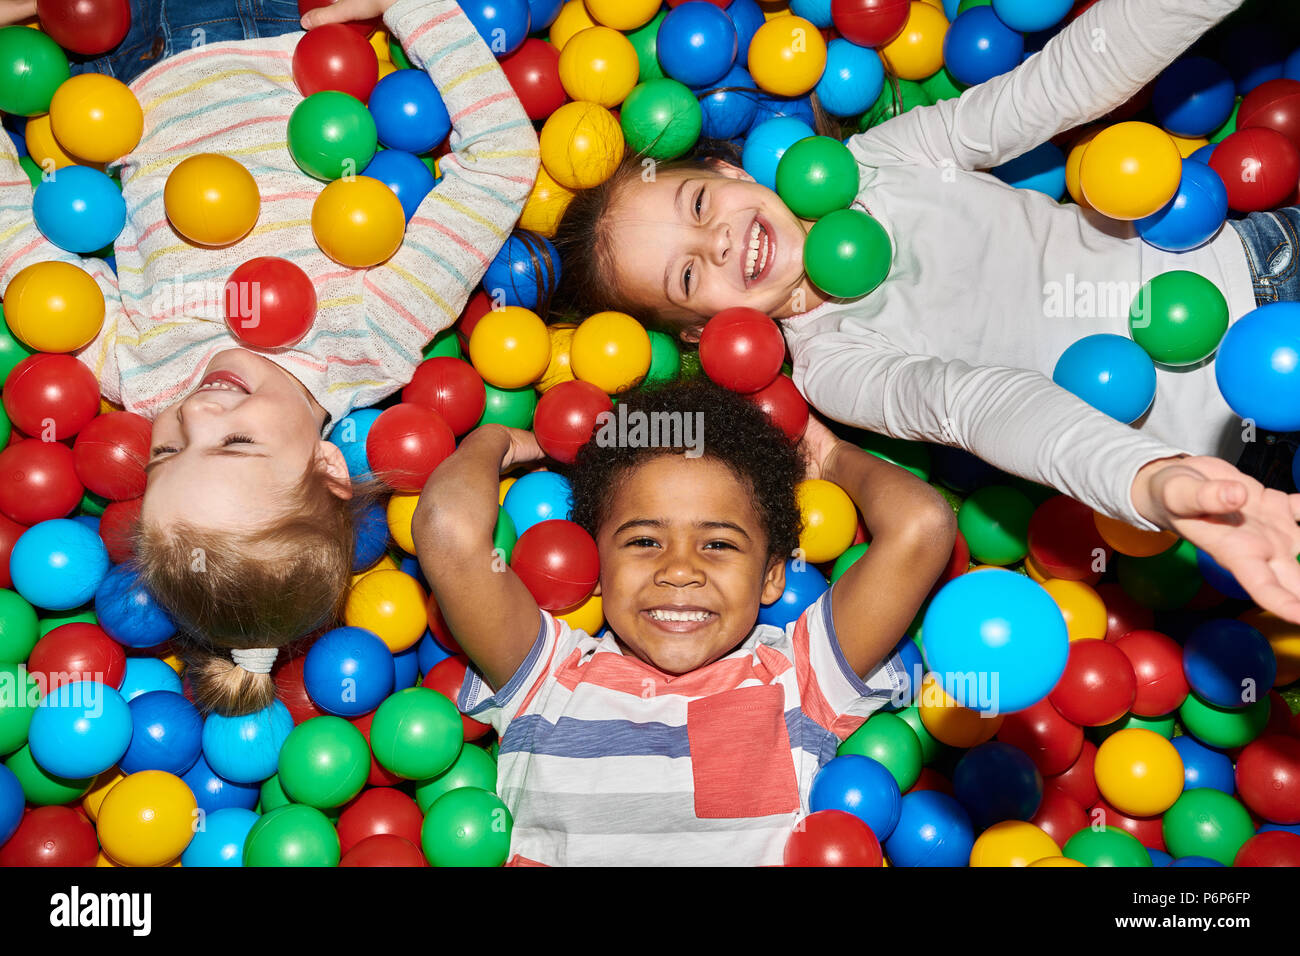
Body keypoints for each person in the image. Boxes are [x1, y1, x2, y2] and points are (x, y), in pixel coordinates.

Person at [546, 0, 1300, 625]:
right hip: (1239, 463)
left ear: (727, 169)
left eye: (698, 205)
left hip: (1262, 263)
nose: (716, 242)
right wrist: (1151, 479)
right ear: (701, 329)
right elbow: (982, 407)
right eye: (686, 275)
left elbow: (1058, 85)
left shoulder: (879, 163)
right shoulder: (834, 363)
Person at [0, 0, 542, 712]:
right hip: (272, 24)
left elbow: (24, 253)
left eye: (166, 453)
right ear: (328, 467)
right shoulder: (371, 334)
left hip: (114, 55)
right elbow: (501, 162)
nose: (196, 412)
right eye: (234, 443)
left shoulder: (142, 375)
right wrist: (410, 6)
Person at [412, 377, 957, 865]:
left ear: (772, 575)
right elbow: (447, 530)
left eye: (718, 544)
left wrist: (831, 456)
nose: (678, 570)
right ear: (594, 566)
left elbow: (922, 525)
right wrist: (498, 442)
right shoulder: (547, 675)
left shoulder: (798, 677)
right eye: (644, 541)